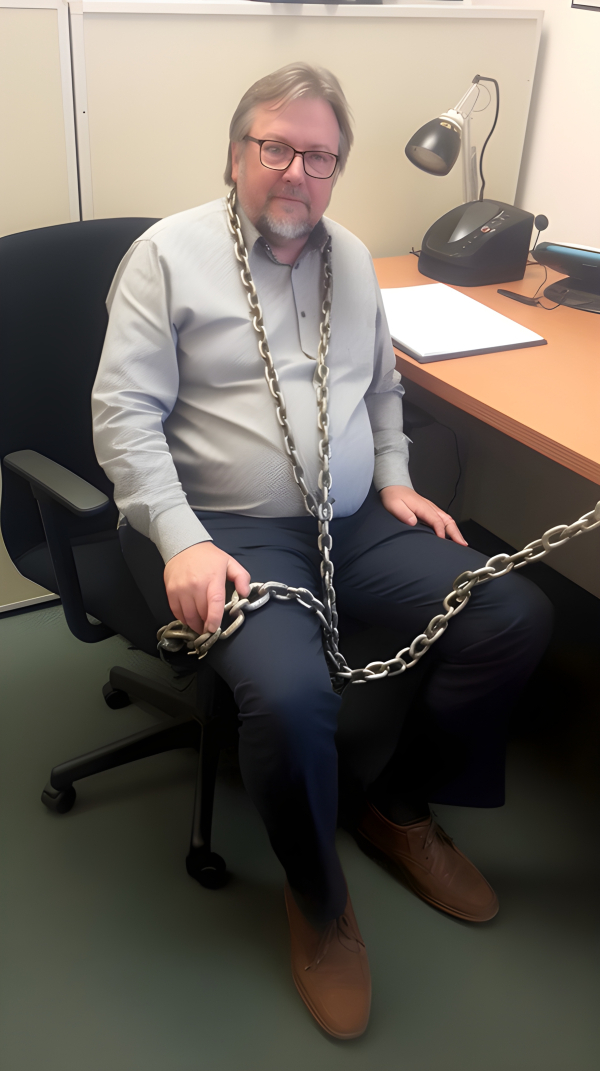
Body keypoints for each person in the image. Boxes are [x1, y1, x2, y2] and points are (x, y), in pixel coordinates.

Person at [92, 63, 553, 1039]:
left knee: (510, 613)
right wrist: (180, 540)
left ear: (338, 170)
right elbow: (123, 420)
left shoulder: (351, 258)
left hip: (352, 519)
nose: (299, 170)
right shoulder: (166, 257)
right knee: (293, 695)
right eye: (279, 147)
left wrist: (394, 476)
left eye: (322, 156)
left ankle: (398, 806)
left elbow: (382, 389)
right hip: (226, 531)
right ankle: (319, 899)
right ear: (238, 152)